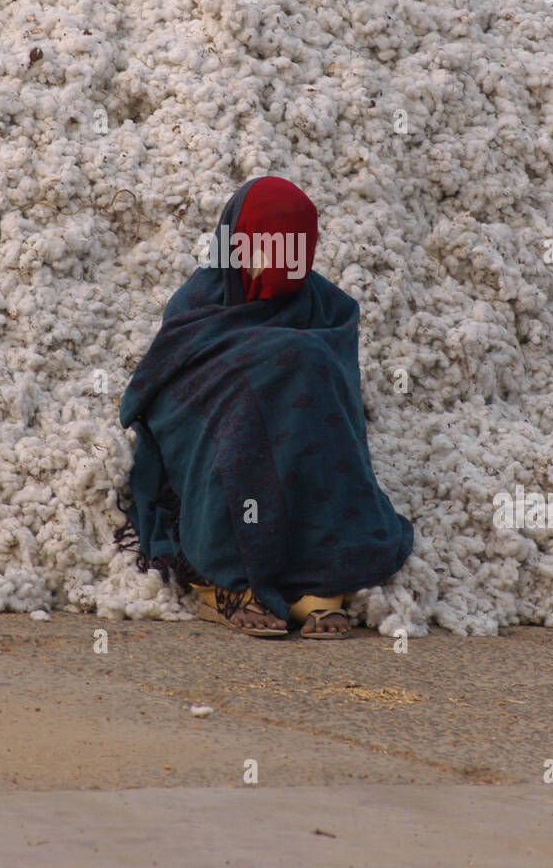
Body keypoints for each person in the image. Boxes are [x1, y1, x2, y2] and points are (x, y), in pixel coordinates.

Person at [116, 176, 413, 638]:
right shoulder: (197, 306)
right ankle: (226, 575)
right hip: (227, 467)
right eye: (265, 246)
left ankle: (316, 576)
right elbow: (166, 401)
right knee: (253, 398)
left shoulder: (330, 311)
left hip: (303, 464)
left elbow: (341, 421)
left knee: (306, 375)